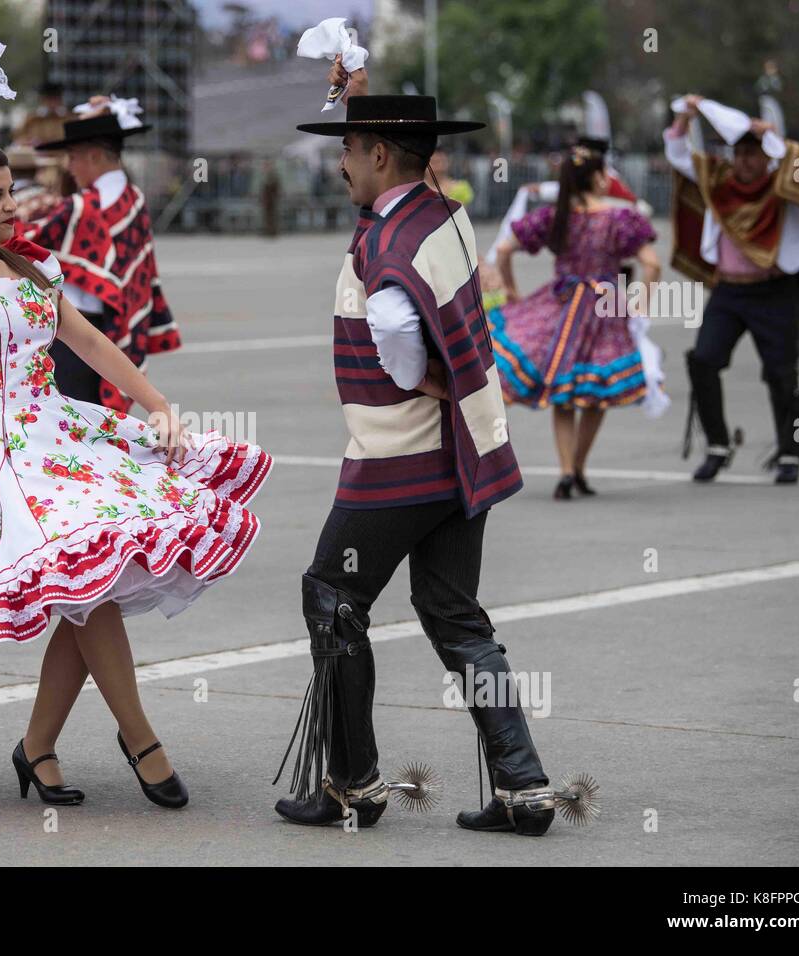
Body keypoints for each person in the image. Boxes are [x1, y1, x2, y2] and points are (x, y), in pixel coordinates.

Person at [0, 90, 271, 811]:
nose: (9, 205)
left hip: (59, 439)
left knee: (87, 585)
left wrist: (159, 406)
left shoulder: (33, 269)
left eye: (12, 192)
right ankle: (140, 740)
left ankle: (39, 745)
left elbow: (93, 343)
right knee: (86, 587)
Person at [272, 60, 557, 835]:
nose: (339, 163)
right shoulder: (444, 214)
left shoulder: (388, 247)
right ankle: (523, 786)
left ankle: (352, 785)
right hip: (467, 451)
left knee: (332, 597)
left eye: (349, 149)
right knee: (456, 615)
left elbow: (397, 333)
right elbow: (399, 189)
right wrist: (361, 97)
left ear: (377, 156)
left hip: (399, 458)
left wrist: (424, 379)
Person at [665, 95, 799, 484]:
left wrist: (774, 139)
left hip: (774, 291)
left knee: (782, 374)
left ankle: (790, 453)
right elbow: (676, 153)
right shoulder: (717, 179)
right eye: (739, 152)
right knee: (703, 360)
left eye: (752, 153)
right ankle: (718, 446)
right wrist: (684, 116)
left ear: (766, 157)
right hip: (729, 292)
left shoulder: (784, 181)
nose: (744, 160)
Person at [491, 143, 665, 499]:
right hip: (604, 307)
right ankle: (580, 467)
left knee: (564, 393)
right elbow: (653, 264)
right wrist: (639, 304)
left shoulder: (556, 216)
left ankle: (568, 471)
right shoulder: (618, 219)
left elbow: (505, 250)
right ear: (599, 178)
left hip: (563, 304)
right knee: (597, 392)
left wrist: (512, 292)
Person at [24, 97, 180, 409]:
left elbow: (25, 242)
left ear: (94, 156)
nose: (68, 166)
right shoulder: (133, 198)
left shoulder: (84, 207)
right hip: (114, 330)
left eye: (72, 157)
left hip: (78, 335)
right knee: (100, 429)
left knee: (73, 427)